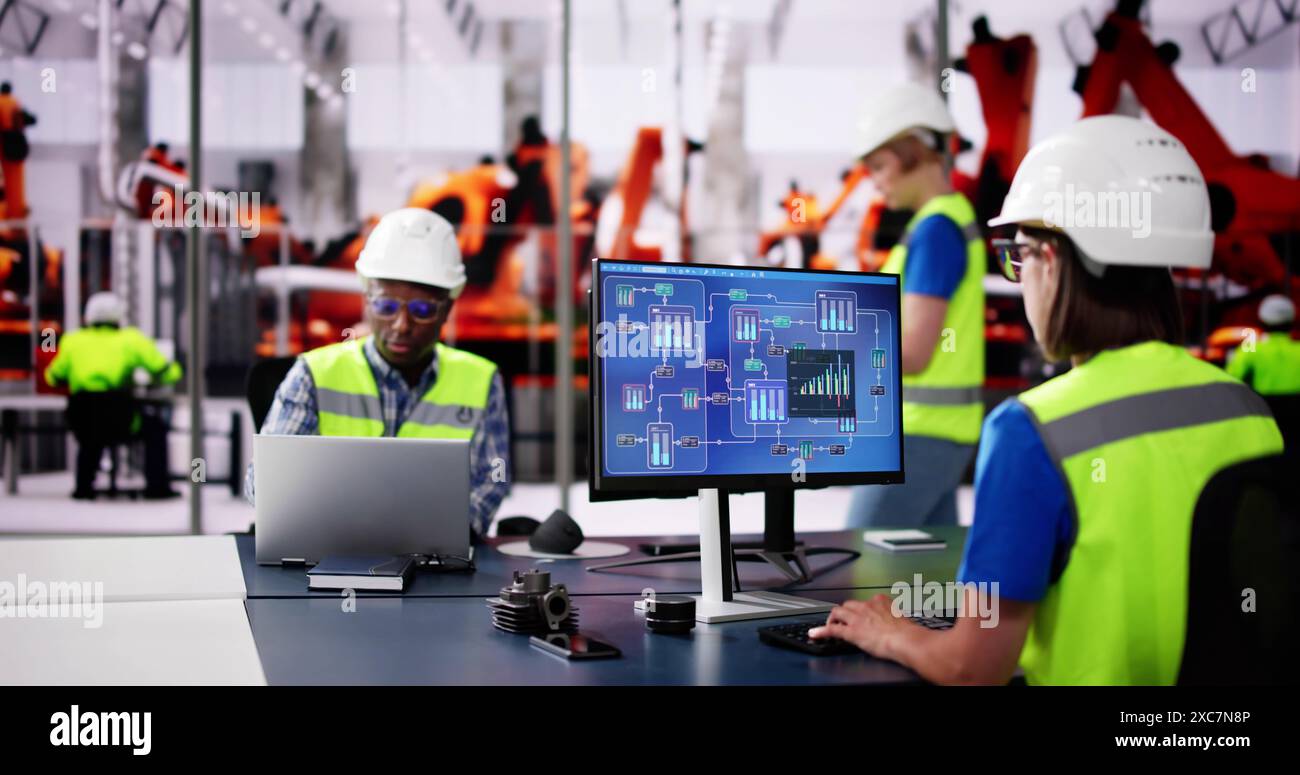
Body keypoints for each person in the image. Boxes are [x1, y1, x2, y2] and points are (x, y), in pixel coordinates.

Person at [811, 116, 1284, 684]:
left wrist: (890, 630)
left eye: (1019, 256)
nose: (1019, 275)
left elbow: (972, 667)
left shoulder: (1034, 430)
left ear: (1052, 261)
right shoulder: (1250, 410)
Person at [246, 208, 511, 537]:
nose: (401, 326)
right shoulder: (313, 375)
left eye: (423, 310)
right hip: (328, 550)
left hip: (434, 558)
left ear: (448, 309)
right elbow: (264, 484)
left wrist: (442, 534)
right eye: (386, 307)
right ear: (366, 299)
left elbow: (492, 481)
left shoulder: (481, 380)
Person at [847, 83, 986, 527]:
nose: (876, 180)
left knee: (861, 556)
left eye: (880, 165)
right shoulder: (945, 221)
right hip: (937, 432)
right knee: (926, 574)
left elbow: (914, 352)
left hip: (919, 434)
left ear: (915, 153)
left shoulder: (936, 231)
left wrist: (821, 350)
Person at [45, 292, 183, 499]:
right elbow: (167, 370)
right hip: (121, 419)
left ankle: (83, 487)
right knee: (155, 428)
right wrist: (150, 380)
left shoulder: (72, 341)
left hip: (82, 418)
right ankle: (157, 487)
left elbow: (53, 377)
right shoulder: (131, 340)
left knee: (90, 437)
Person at [1226, 294, 1300, 398]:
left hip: (1263, 411)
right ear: (1292, 321)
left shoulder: (1250, 349)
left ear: (1261, 321)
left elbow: (1229, 381)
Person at [0, 81, 37, 220]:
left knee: (11, 180)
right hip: (16, 144)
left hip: (8, 145)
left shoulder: (5, 103)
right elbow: (30, 119)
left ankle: (14, 214)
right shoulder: (15, 103)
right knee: (15, 182)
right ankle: (15, 213)